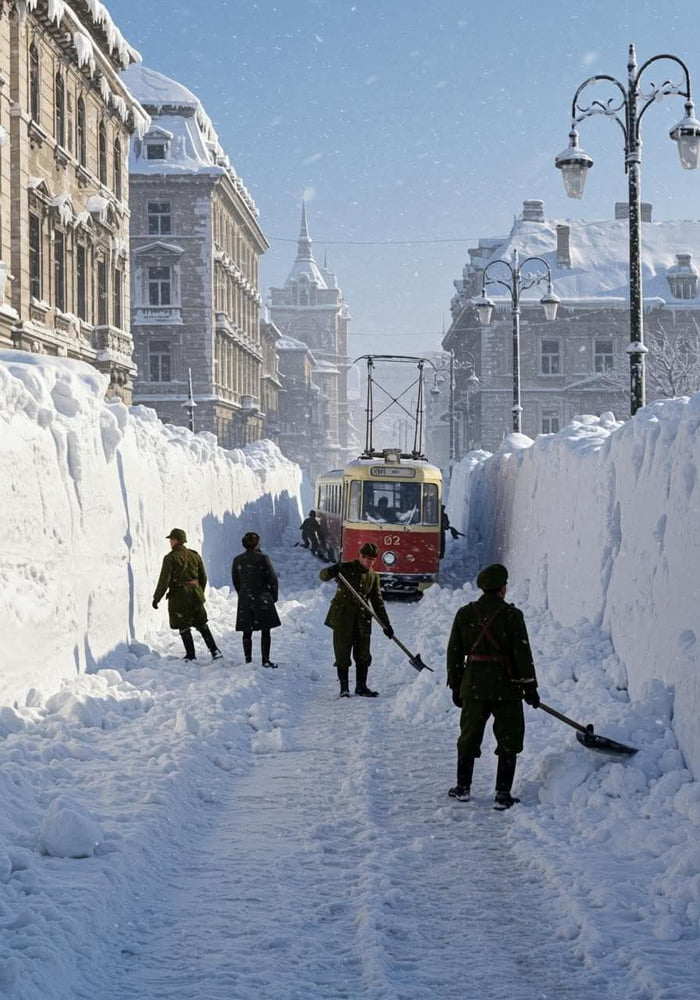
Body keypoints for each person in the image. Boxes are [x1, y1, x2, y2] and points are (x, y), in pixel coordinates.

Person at [445, 563, 539, 810]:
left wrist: (456, 685)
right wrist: (530, 687)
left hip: (474, 686)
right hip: (506, 687)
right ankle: (502, 794)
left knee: (469, 737)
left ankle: (463, 788)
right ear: (502, 588)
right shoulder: (512, 616)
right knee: (509, 739)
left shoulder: (465, 614)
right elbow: (522, 653)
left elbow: (454, 653)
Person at [319, 541, 394, 698]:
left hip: (362, 620)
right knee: (342, 652)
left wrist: (386, 624)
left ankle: (361, 687)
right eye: (366, 558)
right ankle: (344, 688)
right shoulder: (345, 568)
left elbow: (377, 602)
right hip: (343, 617)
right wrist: (332, 570)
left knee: (363, 654)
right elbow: (323, 576)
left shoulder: (373, 576)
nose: (369, 562)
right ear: (360, 556)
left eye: (372, 560)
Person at [152, 528, 222, 662]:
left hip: (179, 595)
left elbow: (164, 581)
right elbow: (203, 577)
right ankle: (215, 651)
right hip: (195, 594)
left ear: (176, 540)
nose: (170, 542)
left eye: (171, 539)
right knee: (201, 624)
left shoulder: (170, 558)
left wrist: (157, 598)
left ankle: (191, 654)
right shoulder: (195, 556)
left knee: (183, 625)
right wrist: (199, 592)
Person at [232, 531, 281, 668]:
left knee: (247, 631)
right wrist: (272, 596)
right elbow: (272, 578)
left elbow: (236, 580)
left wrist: (243, 593)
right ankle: (265, 660)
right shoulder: (263, 558)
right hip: (262, 597)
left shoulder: (238, 560)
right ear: (257, 543)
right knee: (265, 630)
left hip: (245, 599)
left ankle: (248, 660)